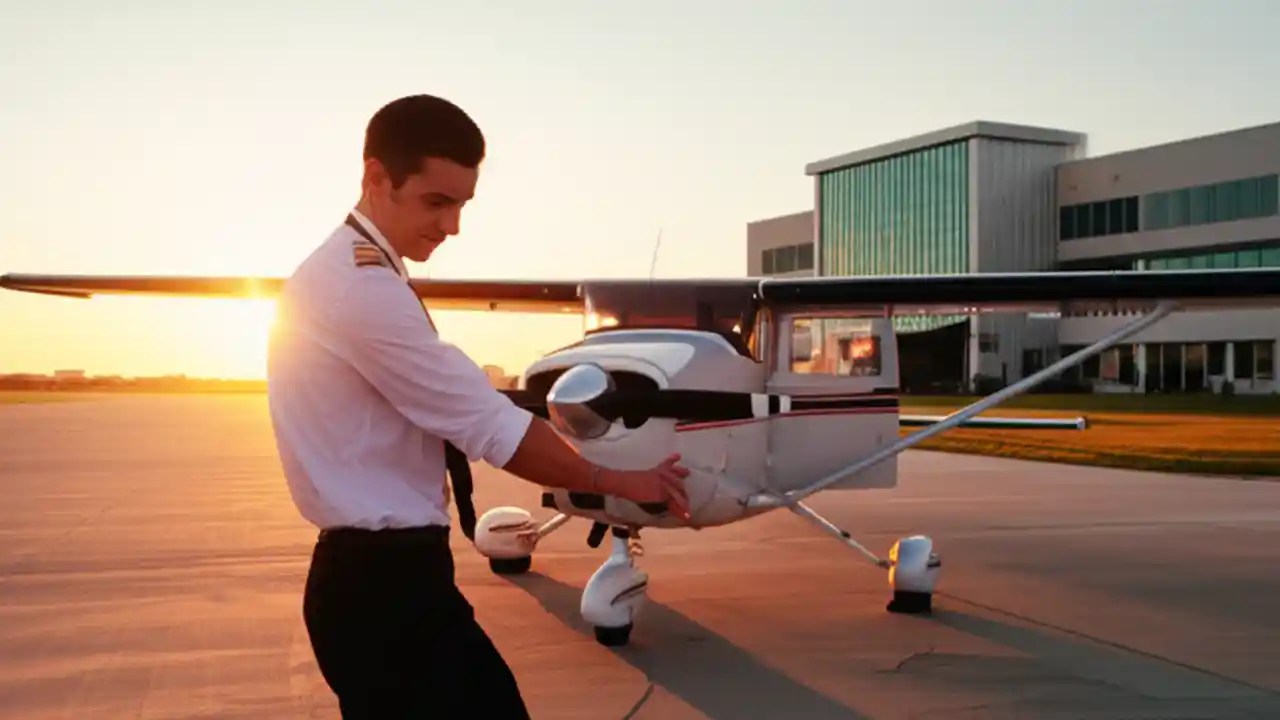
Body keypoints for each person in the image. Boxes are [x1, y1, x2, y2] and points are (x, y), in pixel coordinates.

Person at [265, 94, 691, 719]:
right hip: (386, 594)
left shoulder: (351, 273)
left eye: (462, 203)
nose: (452, 225)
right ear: (375, 177)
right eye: (436, 201)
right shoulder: (358, 288)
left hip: (381, 583)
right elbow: (493, 426)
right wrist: (618, 482)